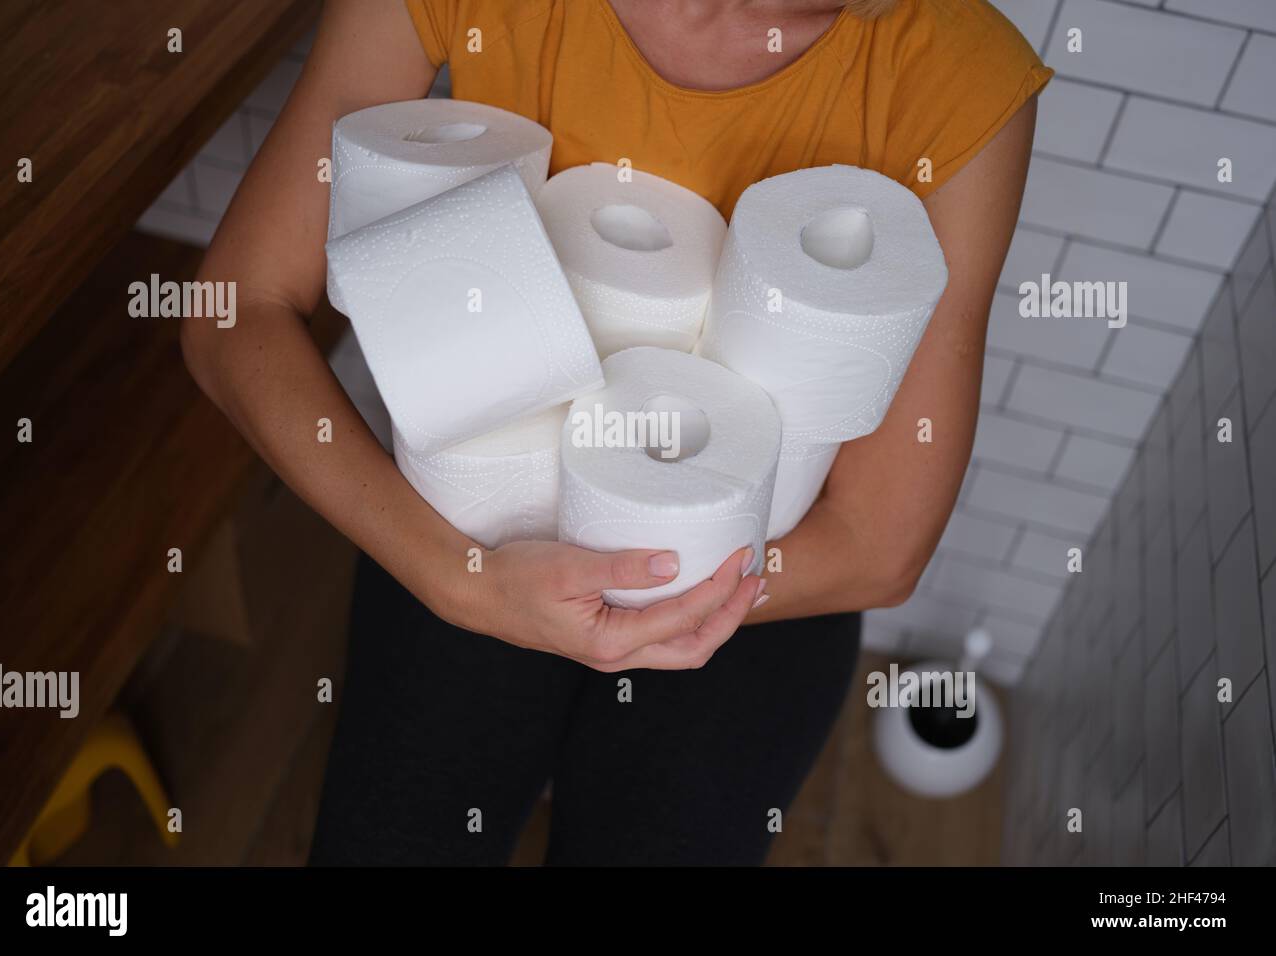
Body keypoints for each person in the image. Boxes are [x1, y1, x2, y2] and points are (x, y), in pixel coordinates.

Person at [181, 0, 1051, 865]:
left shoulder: (961, 76)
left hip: (756, 571)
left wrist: (622, 607)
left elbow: (879, 544)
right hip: (475, 530)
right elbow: (234, 316)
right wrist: (465, 583)